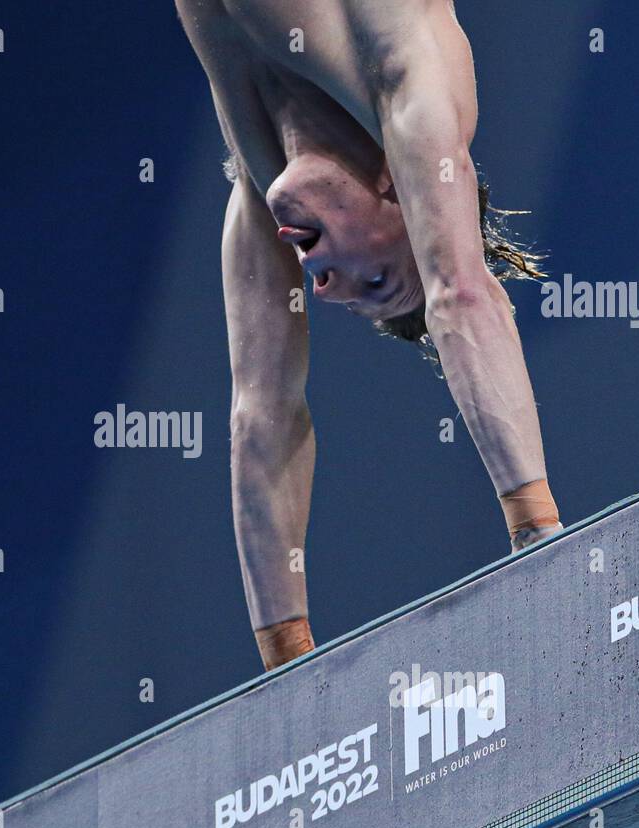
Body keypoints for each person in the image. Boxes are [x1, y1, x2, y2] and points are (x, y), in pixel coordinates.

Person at [176, 0, 564, 671]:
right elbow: (461, 293)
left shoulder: (259, 176)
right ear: (401, 188)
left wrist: (288, 668)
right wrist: (541, 542)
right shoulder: (410, 70)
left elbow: (262, 410)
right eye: (379, 281)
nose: (318, 286)